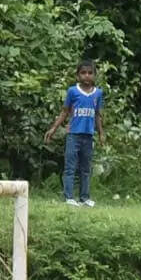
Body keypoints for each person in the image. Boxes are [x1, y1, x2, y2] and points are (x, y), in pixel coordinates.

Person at [43, 58, 105, 207]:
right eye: (83, 73)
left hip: (88, 136)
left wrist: (101, 133)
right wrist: (53, 129)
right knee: (70, 168)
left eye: (90, 73)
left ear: (95, 75)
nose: (87, 76)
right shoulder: (72, 91)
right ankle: (69, 197)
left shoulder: (98, 94)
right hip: (73, 135)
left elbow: (97, 115)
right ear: (78, 76)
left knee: (85, 169)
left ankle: (84, 198)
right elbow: (64, 112)